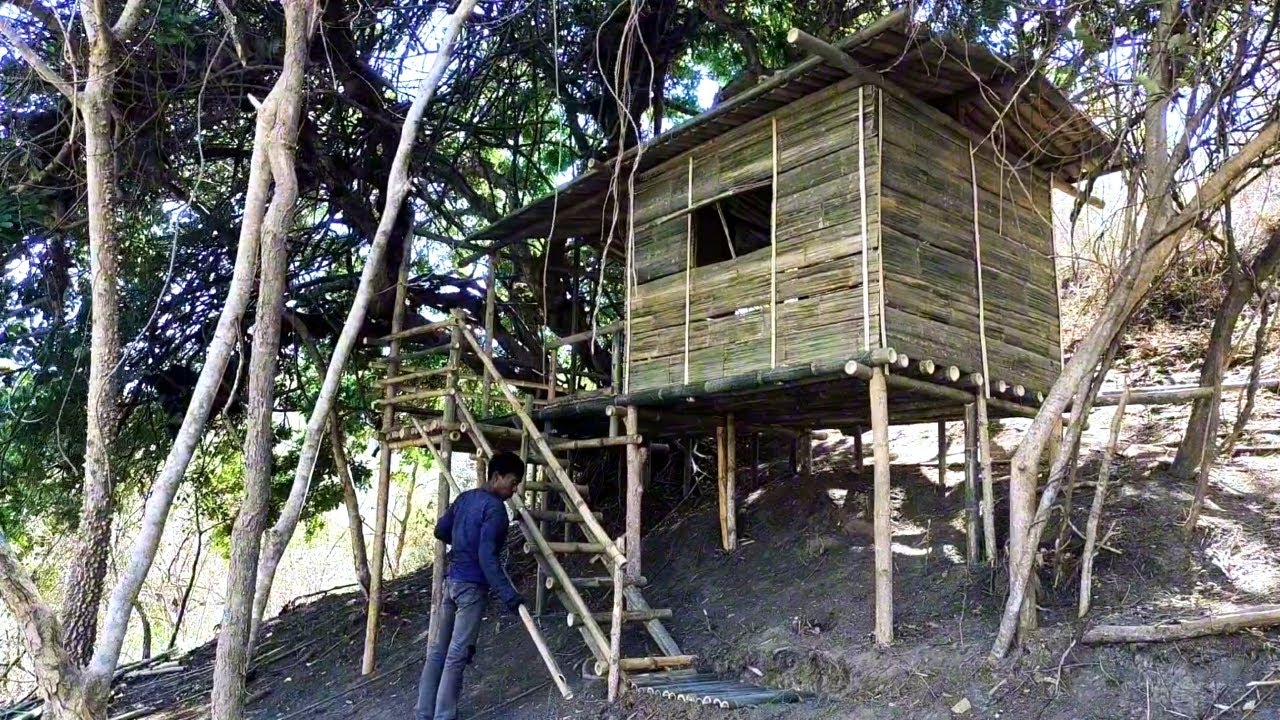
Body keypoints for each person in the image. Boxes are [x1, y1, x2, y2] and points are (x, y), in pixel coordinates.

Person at [415, 451, 526, 720]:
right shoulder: (495, 510)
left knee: (438, 651)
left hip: (451, 583)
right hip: (471, 588)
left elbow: (441, 530)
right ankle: (444, 716)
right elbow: (487, 558)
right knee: (457, 654)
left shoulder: (465, 499)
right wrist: (509, 596)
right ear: (497, 476)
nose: (514, 489)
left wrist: (464, 540)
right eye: (512, 481)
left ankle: (424, 713)